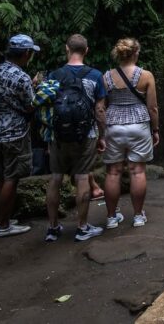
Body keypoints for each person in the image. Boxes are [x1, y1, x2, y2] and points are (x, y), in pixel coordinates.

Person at [44, 34, 107, 242]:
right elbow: (100, 110)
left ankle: (52, 228)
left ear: (66, 49)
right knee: (82, 178)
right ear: (86, 50)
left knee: (55, 177)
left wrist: (47, 136)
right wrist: (102, 136)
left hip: (58, 135)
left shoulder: (54, 74)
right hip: (85, 135)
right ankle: (82, 228)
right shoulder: (96, 76)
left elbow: (47, 108)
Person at [102, 38, 160, 229]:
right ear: (135, 53)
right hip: (139, 124)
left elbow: (102, 106)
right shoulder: (146, 76)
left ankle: (111, 217)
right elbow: (153, 108)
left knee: (113, 172)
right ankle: (137, 216)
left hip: (113, 125)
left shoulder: (106, 76)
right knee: (137, 171)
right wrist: (155, 129)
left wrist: (101, 132)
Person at [0, 34, 40, 237]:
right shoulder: (21, 77)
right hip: (15, 134)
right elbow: (30, 106)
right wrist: (35, 89)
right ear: (25, 53)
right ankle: (4, 225)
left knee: (0, 178)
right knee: (12, 179)